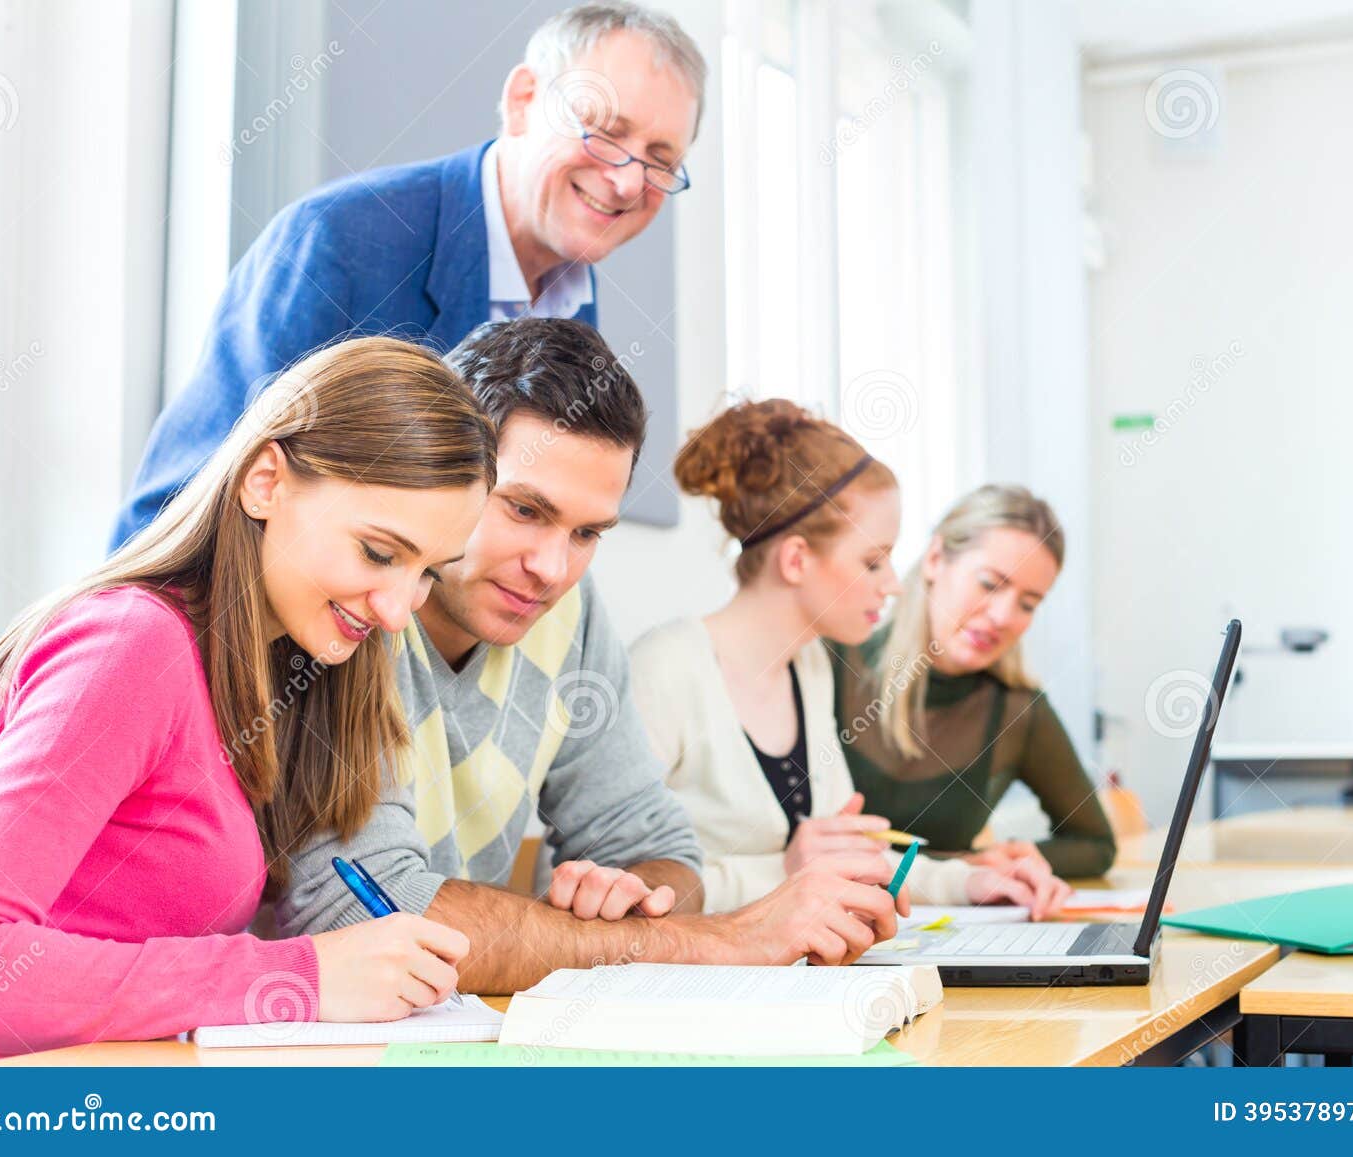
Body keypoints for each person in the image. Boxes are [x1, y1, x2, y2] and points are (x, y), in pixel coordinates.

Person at [277, 322, 900, 988]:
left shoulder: (569, 613)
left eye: (587, 532)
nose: (550, 567)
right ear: (446, 466)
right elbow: (365, 914)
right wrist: (717, 940)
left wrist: (628, 897)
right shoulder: (350, 612)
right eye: (523, 508)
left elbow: (661, 851)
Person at [0, 338, 494, 1062]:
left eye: (427, 574)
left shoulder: (274, 671)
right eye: (379, 554)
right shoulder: (131, 647)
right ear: (266, 481)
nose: (396, 610)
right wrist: (298, 975)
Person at [111, 1, 705, 547]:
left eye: (660, 159)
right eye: (605, 131)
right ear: (524, 101)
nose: (629, 182)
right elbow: (198, 504)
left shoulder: (575, 299)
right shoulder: (341, 240)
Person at [630, 400, 1069, 917]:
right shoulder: (666, 669)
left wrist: (970, 881)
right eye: (872, 561)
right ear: (795, 560)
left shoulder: (810, 667)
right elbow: (607, 886)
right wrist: (784, 873)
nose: (893, 587)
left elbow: (846, 855)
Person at [829, 484, 1117, 879]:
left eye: (1028, 604)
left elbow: (1095, 846)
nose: (1002, 616)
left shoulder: (1017, 710)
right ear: (934, 559)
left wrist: (996, 862)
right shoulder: (830, 664)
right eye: (990, 584)